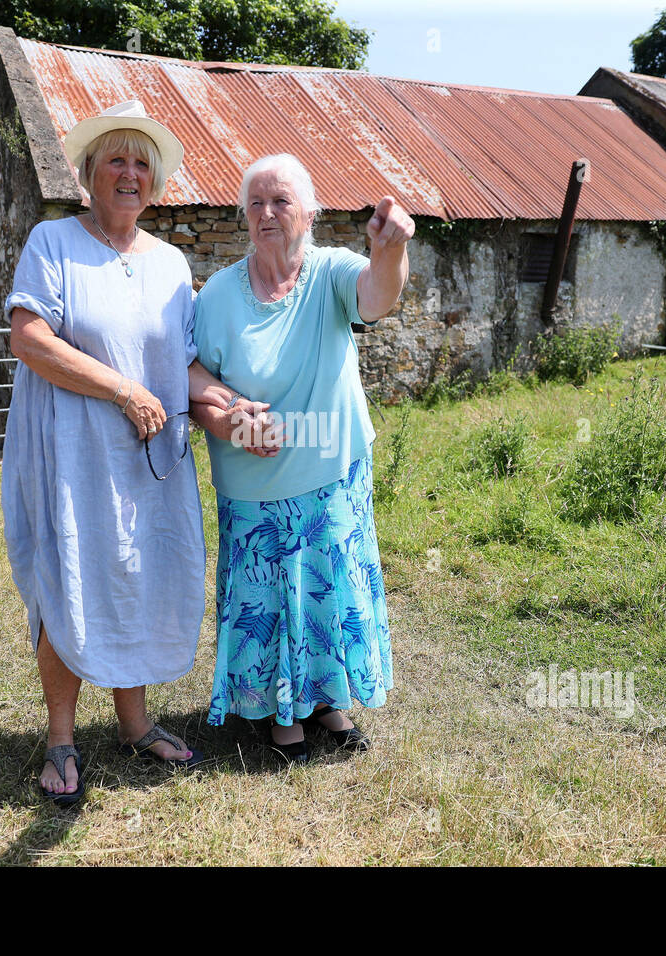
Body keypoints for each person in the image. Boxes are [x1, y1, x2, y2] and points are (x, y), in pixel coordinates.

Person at [1, 102, 240, 805]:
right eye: (116, 159)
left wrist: (227, 403)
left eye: (142, 162)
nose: (130, 173)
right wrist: (125, 392)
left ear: (156, 181)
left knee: (133, 573)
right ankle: (61, 739)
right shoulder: (53, 244)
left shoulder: (170, 265)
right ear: (87, 174)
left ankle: (135, 725)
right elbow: (30, 339)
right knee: (67, 578)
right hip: (69, 455)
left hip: (147, 461)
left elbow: (184, 365)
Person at [190, 153, 415, 763]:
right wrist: (230, 419)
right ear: (243, 215)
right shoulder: (216, 298)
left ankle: (327, 702)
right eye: (256, 203)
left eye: (281, 200)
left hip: (332, 474)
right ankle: (274, 713)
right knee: (269, 597)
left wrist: (389, 249)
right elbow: (190, 380)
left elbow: (375, 297)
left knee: (328, 588)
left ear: (310, 213)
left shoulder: (332, 272)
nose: (267, 213)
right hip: (253, 483)